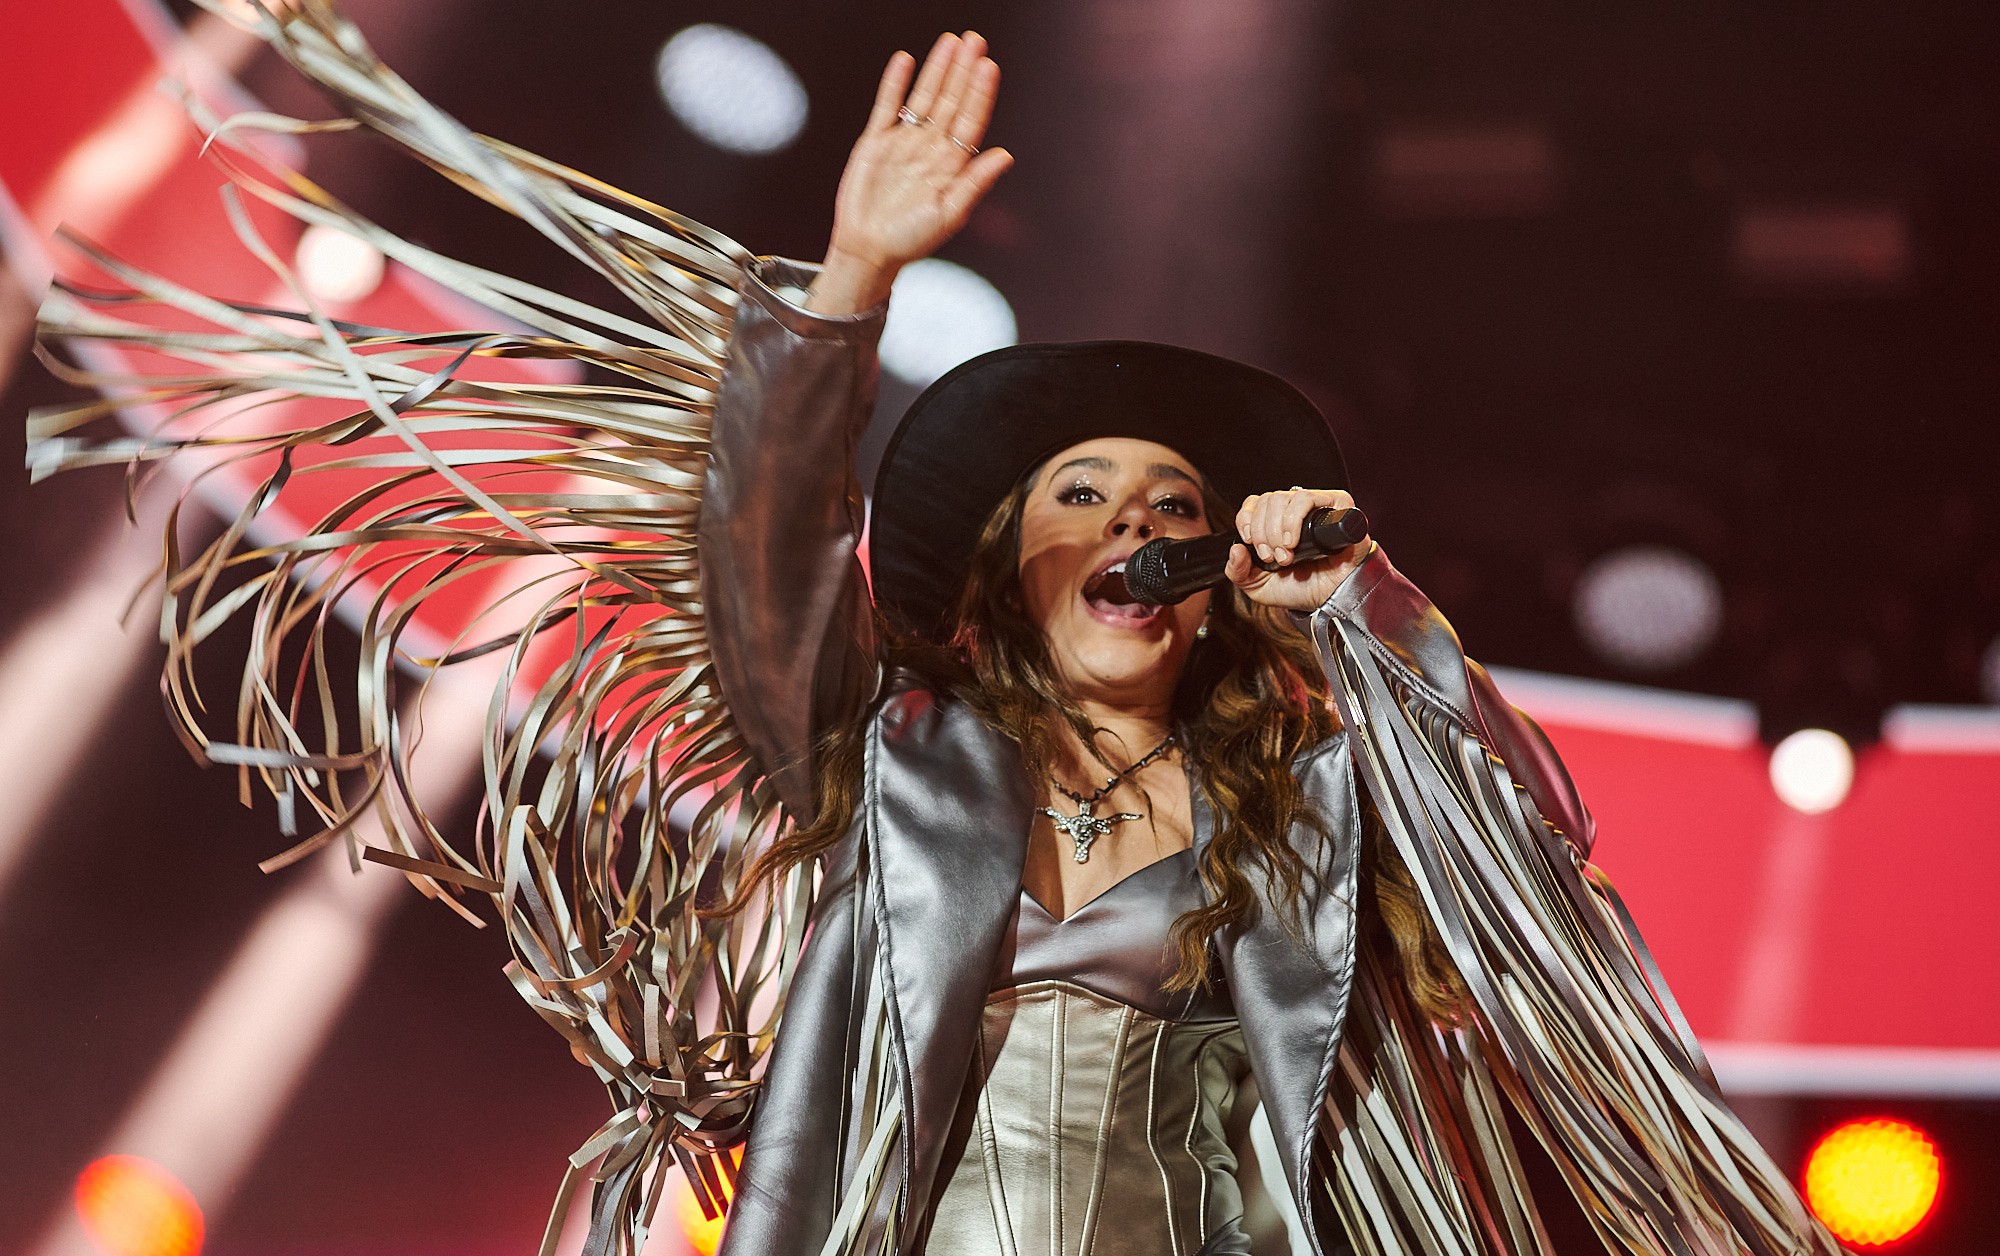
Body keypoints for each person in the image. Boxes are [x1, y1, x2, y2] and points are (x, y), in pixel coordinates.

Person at [30, 9, 1842, 1256]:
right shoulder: (900, 752)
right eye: (1083, 495)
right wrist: (845, 290)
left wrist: (1366, 609)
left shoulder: (1302, 794)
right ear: (1002, 573)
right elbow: (760, 571)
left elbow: (1528, 847)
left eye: (1171, 506)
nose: (1138, 526)